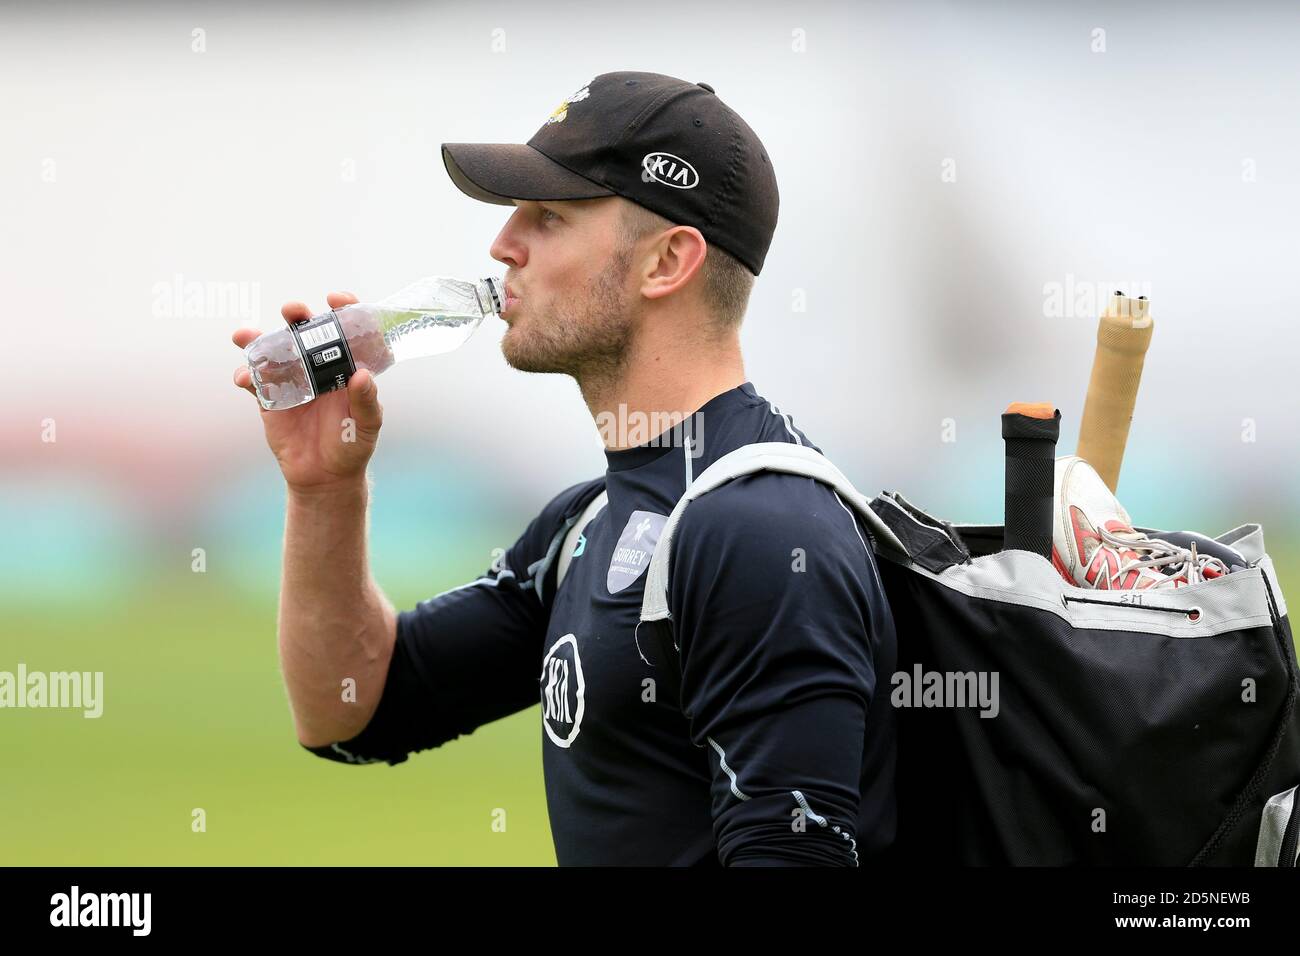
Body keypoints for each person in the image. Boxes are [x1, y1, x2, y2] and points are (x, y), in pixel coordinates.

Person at [230, 71, 896, 866]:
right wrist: (324, 490)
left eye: (548, 215)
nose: (501, 244)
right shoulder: (589, 521)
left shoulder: (760, 531)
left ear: (666, 263)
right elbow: (352, 709)